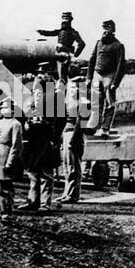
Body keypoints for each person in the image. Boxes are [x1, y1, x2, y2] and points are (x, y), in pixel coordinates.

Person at [21, 64, 61, 212]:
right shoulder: (34, 95)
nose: (40, 76)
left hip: (46, 137)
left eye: (43, 73)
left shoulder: (55, 96)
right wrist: (27, 123)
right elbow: (28, 113)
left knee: (45, 172)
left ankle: (45, 204)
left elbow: (59, 120)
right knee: (32, 170)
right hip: (34, 137)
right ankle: (32, 201)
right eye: (39, 74)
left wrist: (55, 138)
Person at [85, 19, 127, 136]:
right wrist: (89, 77)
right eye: (104, 29)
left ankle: (105, 128)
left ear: (113, 30)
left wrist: (115, 82)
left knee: (109, 104)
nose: (105, 32)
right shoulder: (98, 43)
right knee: (95, 102)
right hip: (97, 75)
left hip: (109, 76)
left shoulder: (118, 46)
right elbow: (92, 60)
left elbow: (121, 66)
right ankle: (92, 126)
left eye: (108, 29)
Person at [0, 97, 24, 215]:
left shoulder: (16, 124)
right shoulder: (0, 122)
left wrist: (10, 162)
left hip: (6, 156)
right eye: (2, 108)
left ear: (13, 109)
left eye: (6, 108)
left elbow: (16, 145)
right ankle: (0, 209)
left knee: (6, 184)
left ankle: (7, 210)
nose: (3, 110)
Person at [57, 73, 86, 205]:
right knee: (66, 166)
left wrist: (74, 139)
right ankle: (66, 192)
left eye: (77, 87)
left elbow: (81, 124)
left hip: (74, 134)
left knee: (74, 167)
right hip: (66, 132)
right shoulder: (69, 101)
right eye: (72, 87)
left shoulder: (83, 103)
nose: (74, 89)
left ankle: (73, 194)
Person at [36, 11, 86, 82]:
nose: (64, 20)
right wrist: (40, 32)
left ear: (70, 20)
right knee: (54, 75)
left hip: (65, 57)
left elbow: (82, 44)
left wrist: (74, 55)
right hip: (57, 55)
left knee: (62, 77)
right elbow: (51, 33)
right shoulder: (60, 31)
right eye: (63, 18)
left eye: (66, 18)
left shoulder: (73, 32)